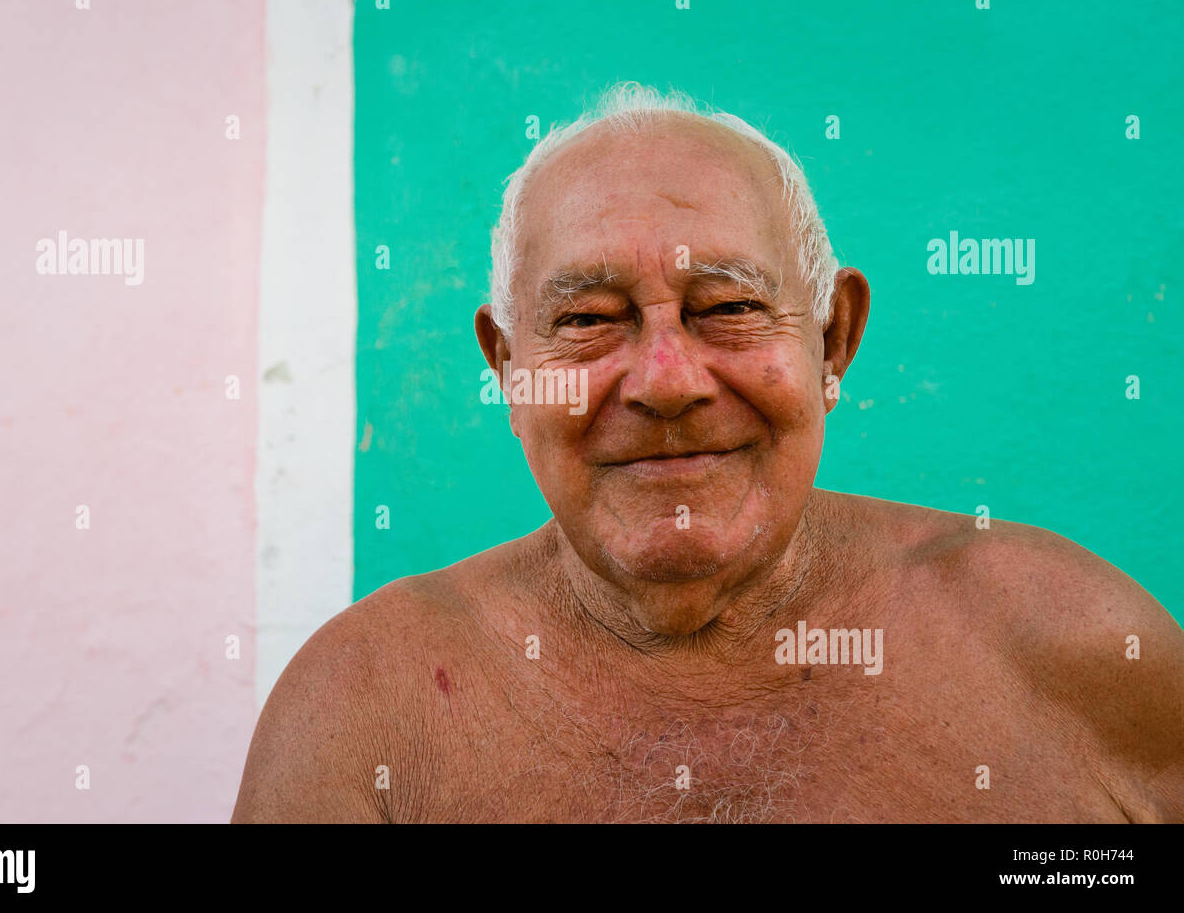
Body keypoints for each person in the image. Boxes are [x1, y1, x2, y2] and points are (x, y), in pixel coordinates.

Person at [233, 84, 1184, 822]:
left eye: (727, 308)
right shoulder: (364, 716)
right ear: (510, 369)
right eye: (589, 320)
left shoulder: (1073, 647)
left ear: (830, 340)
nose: (665, 379)